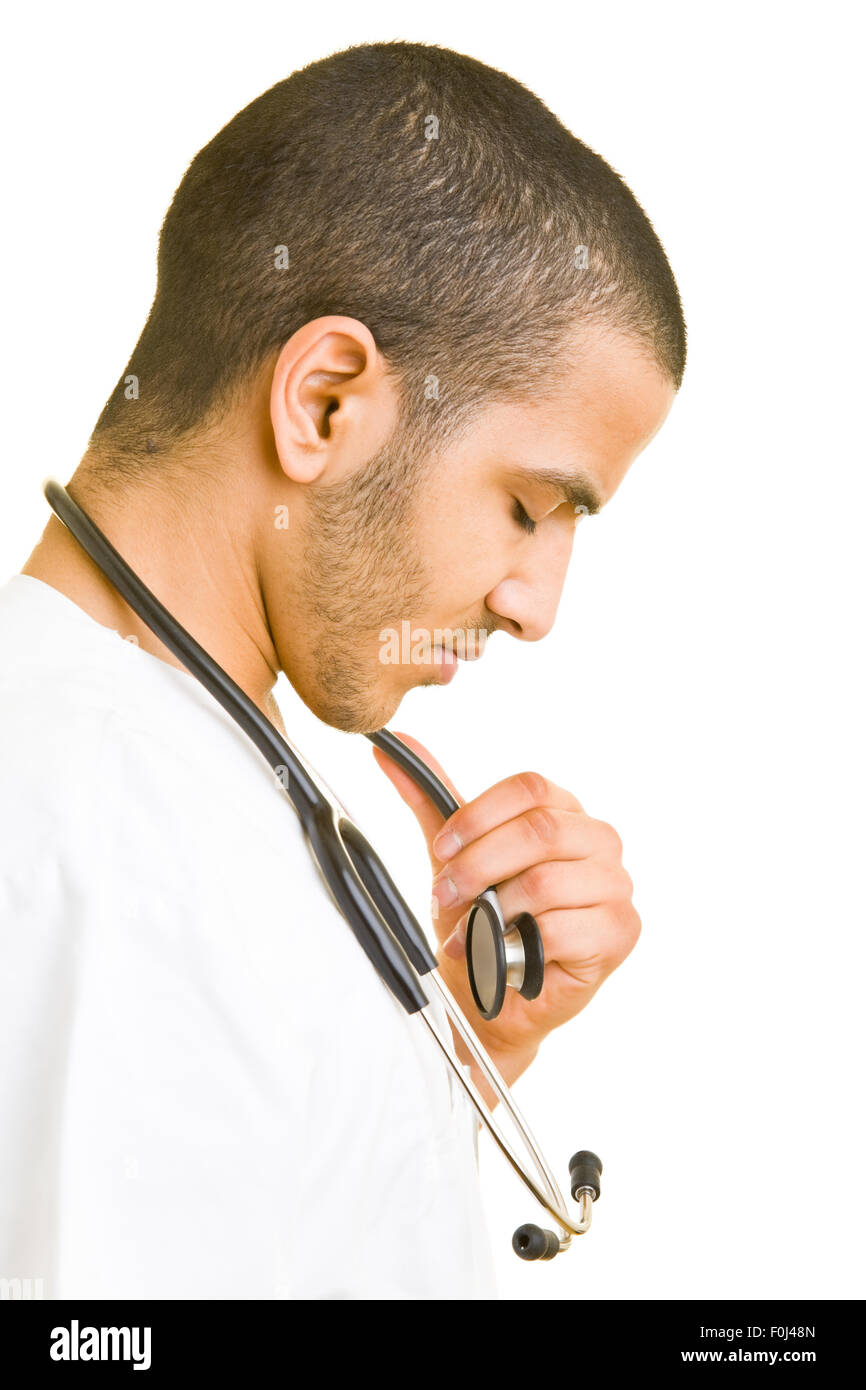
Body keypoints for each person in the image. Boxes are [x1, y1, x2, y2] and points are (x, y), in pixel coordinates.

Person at [0, 40, 685, 1300]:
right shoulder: (102, 836)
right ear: (323, 402)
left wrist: (470, 1050)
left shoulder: (194, 770)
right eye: (532, 506)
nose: (536, 607)